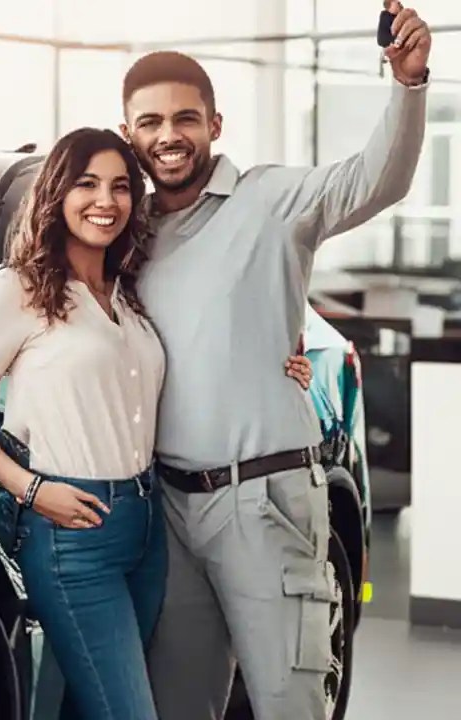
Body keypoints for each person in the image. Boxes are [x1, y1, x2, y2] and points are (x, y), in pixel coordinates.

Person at [0, 127, 313, 720]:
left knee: (89, 706)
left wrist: (279, 358)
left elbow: (210, 336)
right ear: (56, 193)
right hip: (70, 531)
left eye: (119, 187)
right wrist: (32, 490)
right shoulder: (21, 288)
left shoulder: (130, 290)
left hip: (146, 526)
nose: (104, 201)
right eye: (86, 184)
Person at [117, 2, 431, 717]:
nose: (169, 136)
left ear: (214, 125)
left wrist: (408, 86)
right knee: (180, 704)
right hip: (168, 506)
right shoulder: (128, 237)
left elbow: (375, 178)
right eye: (151, 123)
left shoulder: (271, 200)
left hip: (262, 499)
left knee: (288, 703)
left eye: (185, 119)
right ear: (131, 134)